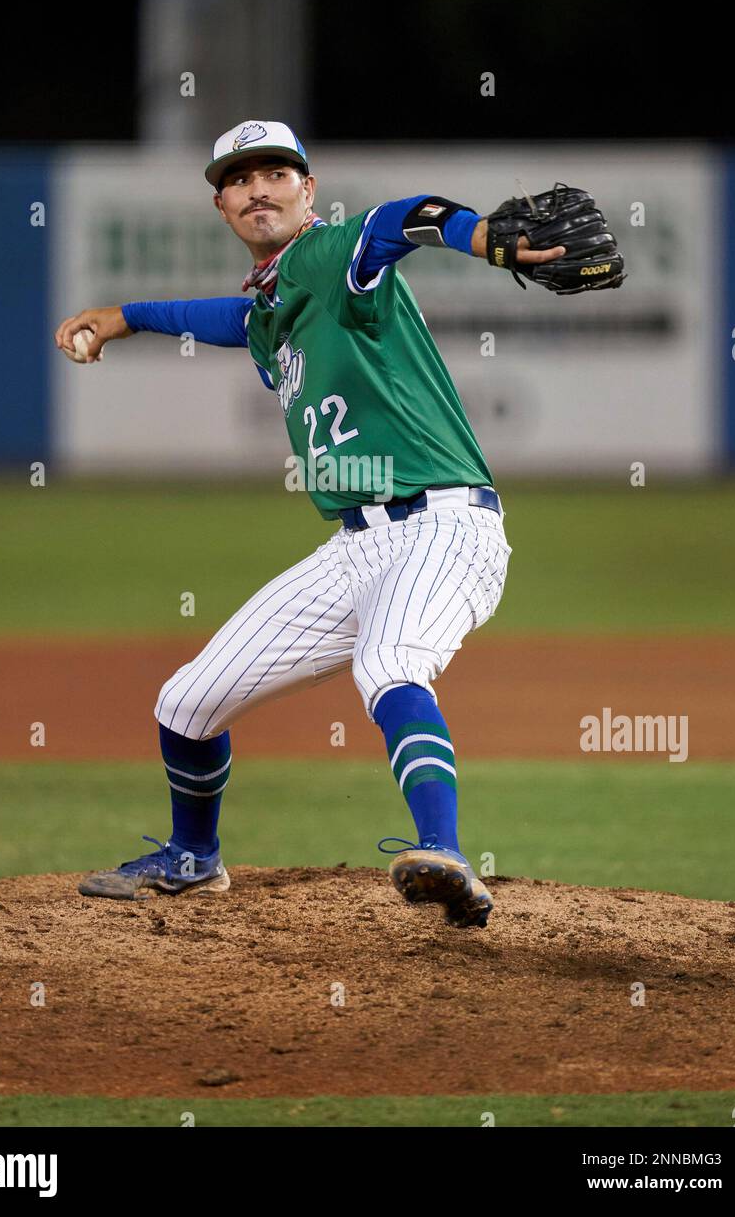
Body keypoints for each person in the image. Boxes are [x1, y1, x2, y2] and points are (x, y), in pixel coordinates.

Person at [55, 118, 567, 928]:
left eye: (276, 173)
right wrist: (123, 316)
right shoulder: (270, 303)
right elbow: (223, 316)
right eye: (238, 178)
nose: (259, 188)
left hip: (445, 526)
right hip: (354, 547)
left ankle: (447, 855)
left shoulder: (332, 258)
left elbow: (405, 217)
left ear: (308, 191)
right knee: (186, 703)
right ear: (222, 204)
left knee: (390, 663)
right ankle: (195, 860)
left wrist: (483, 239)